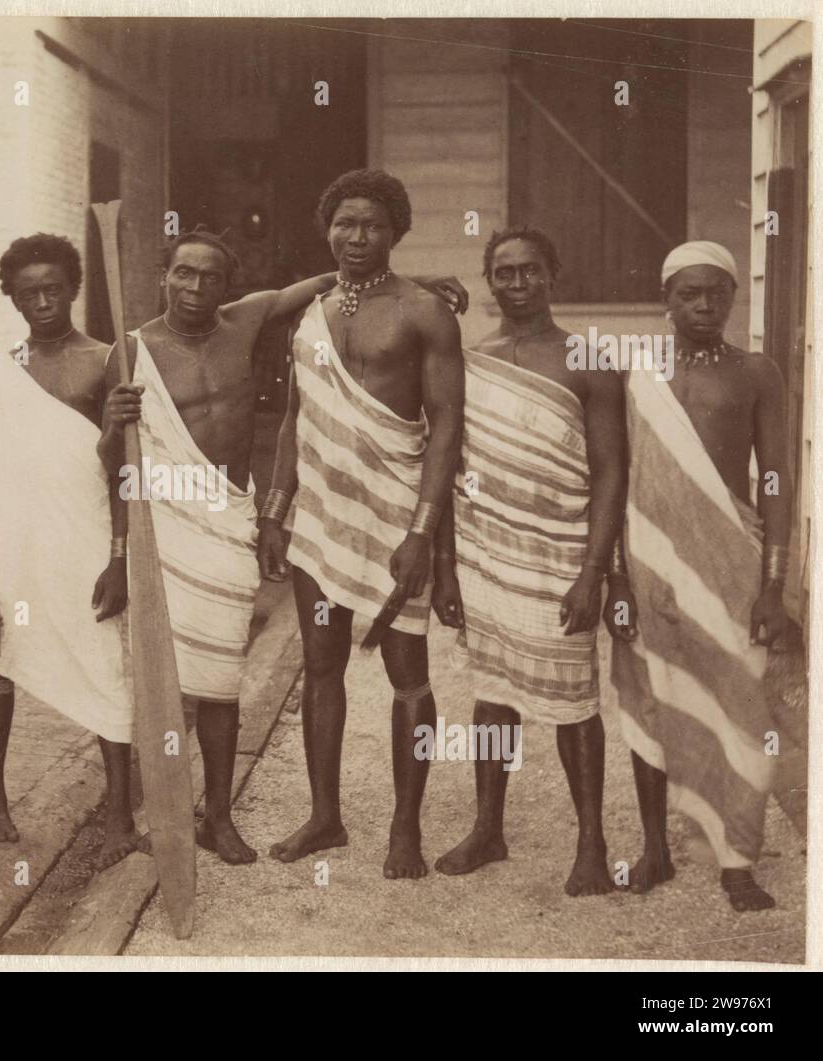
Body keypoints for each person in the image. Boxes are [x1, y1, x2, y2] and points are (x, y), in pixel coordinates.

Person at [100, 221, 462, 865]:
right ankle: (148, 814)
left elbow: (333, 279)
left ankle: (226, 816)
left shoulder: (247, 321)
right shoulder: (129, 352)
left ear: (229, 286)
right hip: (169, 520)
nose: (195, 286)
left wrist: (414, 288)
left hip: (234, 519)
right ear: (162, 276)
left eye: (211, 276)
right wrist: (112, 430)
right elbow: (112, 462)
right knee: (151, 674)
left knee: (222, 677)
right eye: (183, 272)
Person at [258, 169, 465, 877]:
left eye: (371, 224)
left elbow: (446, 429)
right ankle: (325, 816)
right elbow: (294, 415)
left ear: (395, 232)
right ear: (326, 228)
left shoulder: (425, 311)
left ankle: (405, 829)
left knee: (409, 674)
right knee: (322, 668)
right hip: (320, 512)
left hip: (394, 509)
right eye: (344, 222)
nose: (356, 236)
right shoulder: (309, 312)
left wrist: (423, 532)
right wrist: (276, 510)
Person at [432, 227, 627, 896]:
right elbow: (452, 464)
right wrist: (447, 566)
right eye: (505, 273)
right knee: (494, 688)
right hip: (488, 549)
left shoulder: (588, 361)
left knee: (574, 699)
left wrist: (593, 571)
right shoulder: (475, 358)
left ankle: (592, 844)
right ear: (490, 281)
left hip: (560, 553)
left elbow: (610, 473)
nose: (517, 284)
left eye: (530, 271)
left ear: (553, 275)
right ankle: (489, 827)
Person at [608, 240, 789, 911]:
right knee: (652, 695)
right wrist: (618, 579)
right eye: (690, 292)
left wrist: (773, 582)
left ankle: (737, 857)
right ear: (666, 297)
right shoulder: (635, 373)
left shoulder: (755, 373)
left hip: (730, 561)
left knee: (740, 703)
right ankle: (655, 846)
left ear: (735, 297)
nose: (705, 304)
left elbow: (776, 477)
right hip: (649, 556)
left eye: (718, 292)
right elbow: (614, 479)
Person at [0, 233, 140, 868]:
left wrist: (119, 557)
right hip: (17, 541)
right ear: (11, 297)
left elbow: (122, 471)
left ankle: (121, 811)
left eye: (53, 289)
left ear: (73, 288)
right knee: (0, 660)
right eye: (28, 292)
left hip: (87, 536)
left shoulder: (107, 362)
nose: (42, 301)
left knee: (106, 666)